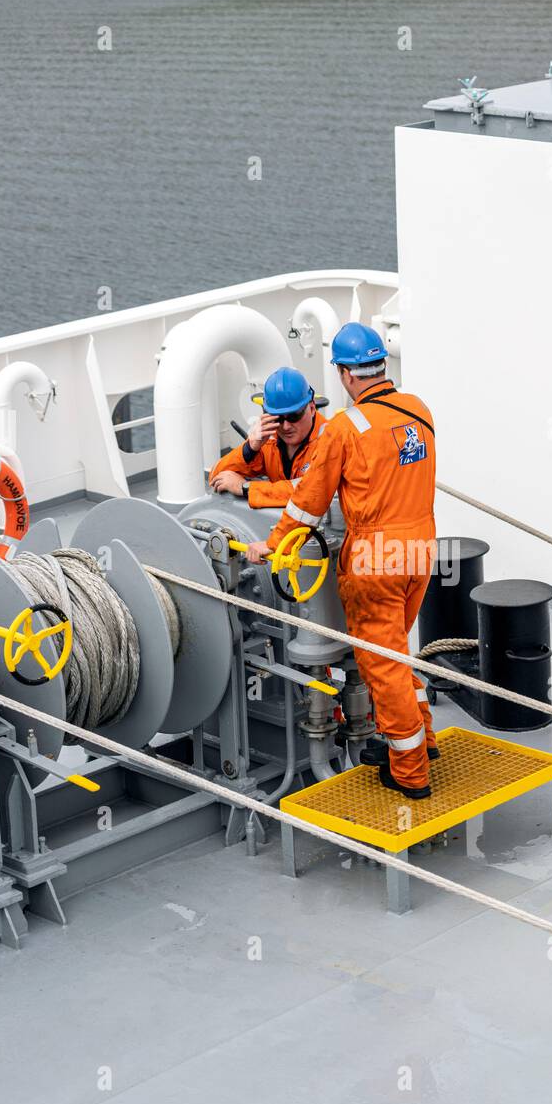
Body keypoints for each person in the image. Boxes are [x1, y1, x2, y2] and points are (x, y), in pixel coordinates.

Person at [246, 323, 438, 800]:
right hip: (421, 551)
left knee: (383, 668)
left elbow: (309, 503)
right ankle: (425, 741)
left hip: (376, 561)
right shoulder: (418, 410)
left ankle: (410, 771)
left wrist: (273, 544)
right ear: (381, 365)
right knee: (398, 654)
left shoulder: (345, 429)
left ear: (346, 374)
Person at [209, 367, 326, 508]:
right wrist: (249, 449)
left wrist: (246, 488)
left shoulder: (330, 439)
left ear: (312, 409)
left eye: (294, 416)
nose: (286, 427)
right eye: (277, 418)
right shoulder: (268, 441)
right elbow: (216, 476)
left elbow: (311, 490)